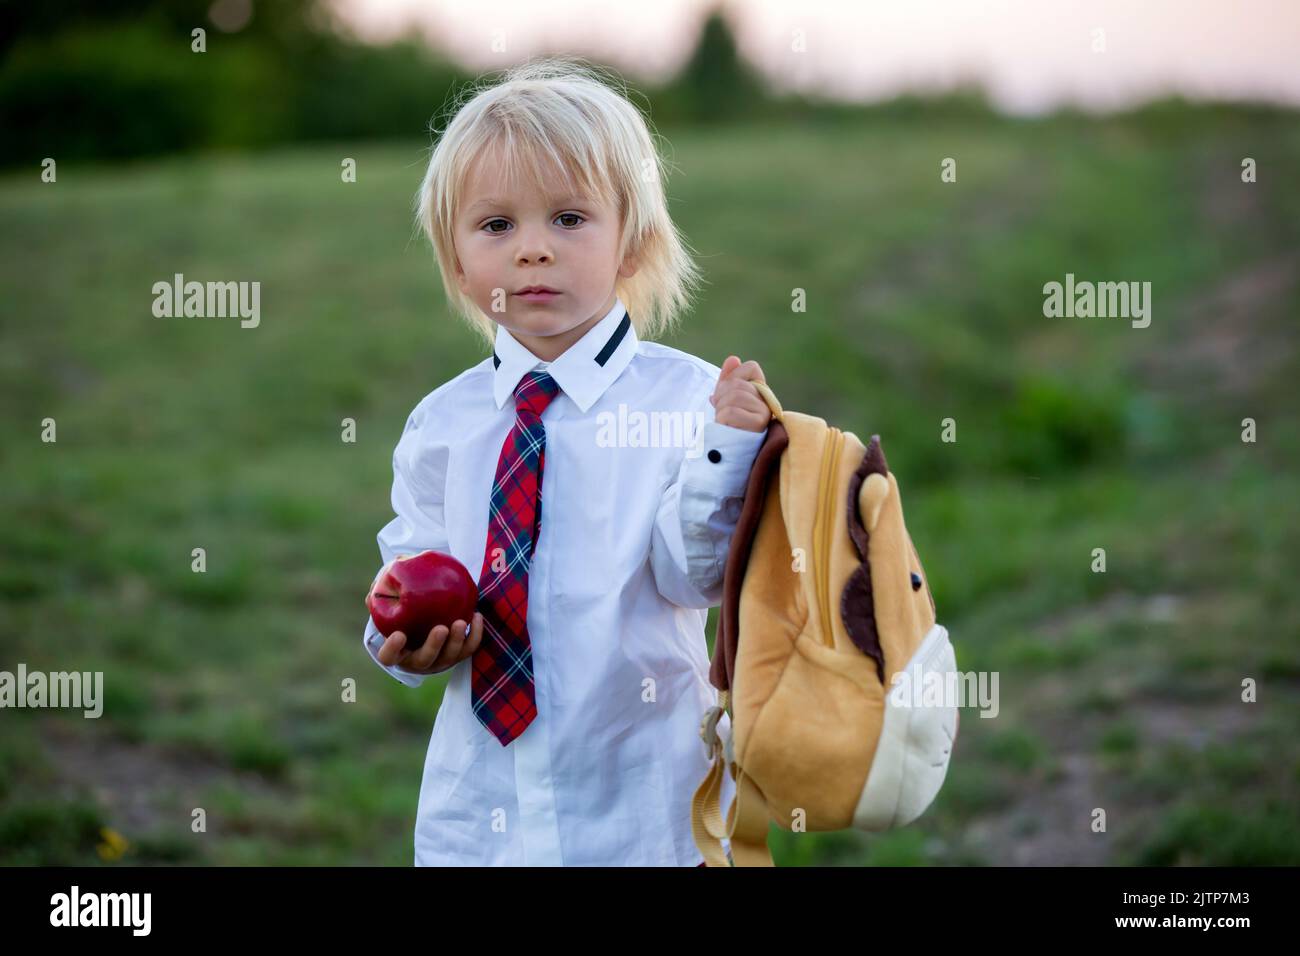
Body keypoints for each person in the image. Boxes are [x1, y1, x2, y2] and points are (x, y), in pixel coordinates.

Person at [362, 56, 769, 866]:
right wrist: (400, 643)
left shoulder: (686, 403)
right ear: (457, 261)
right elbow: (409, 569)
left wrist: (730, 447)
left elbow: (698, 577)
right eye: (497, 225)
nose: (533, 251)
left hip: (645, 802)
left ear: (632, 243)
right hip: (482, 810)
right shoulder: (442, 423)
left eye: (570, 219)